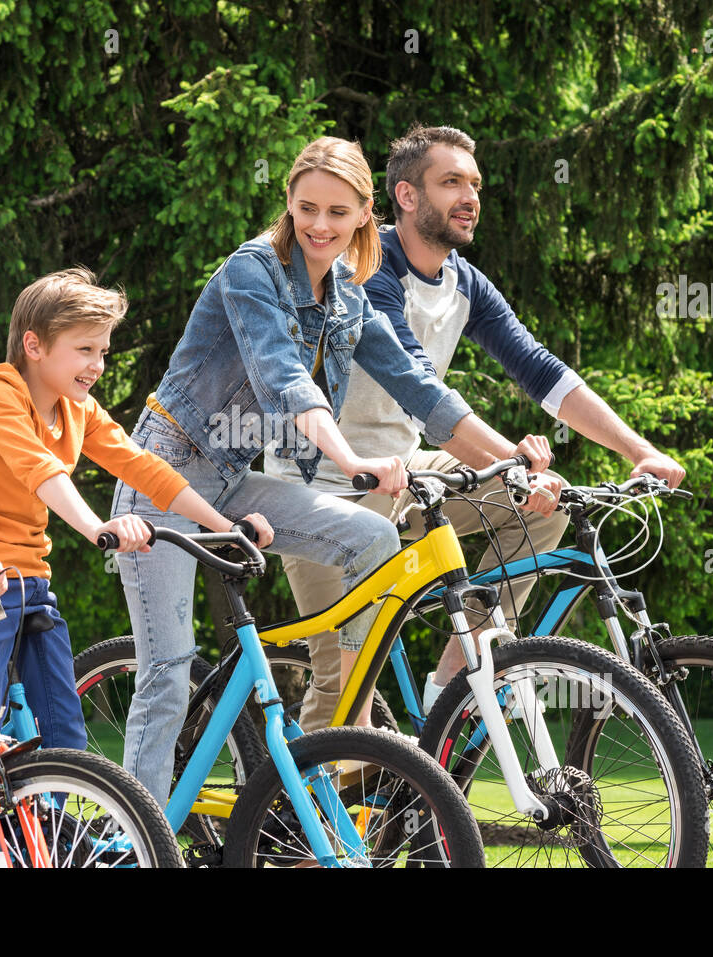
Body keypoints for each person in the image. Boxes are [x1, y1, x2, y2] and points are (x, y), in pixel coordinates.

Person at [111, 136, 550, 805]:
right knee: (168, 670)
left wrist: (510, 467)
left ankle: (349, 729)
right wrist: (351, 461)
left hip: (230, 481)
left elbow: (418, 386)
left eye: (338, 212)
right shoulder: (251, 270)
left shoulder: (345, 291)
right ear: (287, 202)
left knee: (370, 540)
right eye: (307, 207)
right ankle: (134, 832)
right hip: (164, 478)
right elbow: (282, 376)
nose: (320, 224)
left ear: (364, 215)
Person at [268, 124, 686, 731]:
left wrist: (638, 449)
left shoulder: (463, 280)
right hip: (326, 487)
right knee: (343, 694)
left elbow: (540, 370)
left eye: (475, 184)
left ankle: (456, 686)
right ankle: (293, 821)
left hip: (405, 473)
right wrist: (514, 462)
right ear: (407, 197)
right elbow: (423, 393)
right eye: (451, 183)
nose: (470, 197)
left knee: (545, 510)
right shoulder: (365, 271)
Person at [0, 267, 269, 820]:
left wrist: (222, 523)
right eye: (84, 350)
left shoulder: (78, 409)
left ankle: (53, 847)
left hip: (28, 582)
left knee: (63, 733)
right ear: (34, 345)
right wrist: (95, 528)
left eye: (103, 351)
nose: (98, 366)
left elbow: (144, 468)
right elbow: (40, 470)